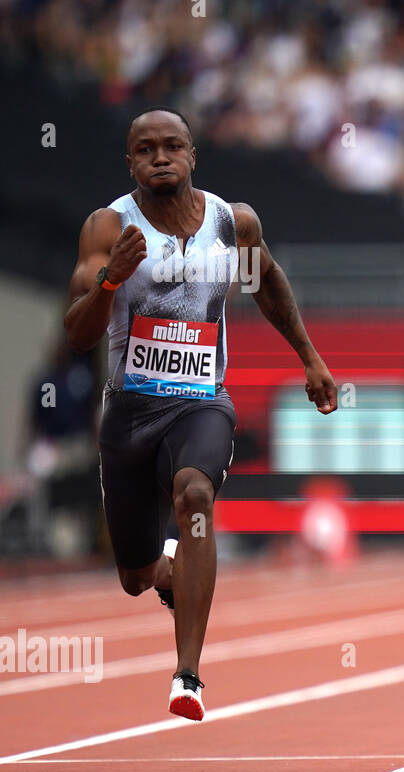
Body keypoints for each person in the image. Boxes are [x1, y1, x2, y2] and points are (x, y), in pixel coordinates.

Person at [65, 107, 337, 720]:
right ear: (130, 162)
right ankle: (167, 579)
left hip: (201, 404)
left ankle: (187, 675)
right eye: (145, 150)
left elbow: (265, 285)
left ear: (193, 156)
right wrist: (111, 280)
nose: (160, 158)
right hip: (131, 412)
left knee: (195, 495)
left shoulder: (230, 224)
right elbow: (78, 332)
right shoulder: (110, 227)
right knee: (134, 574)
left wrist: (310, 358)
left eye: (172, 147)